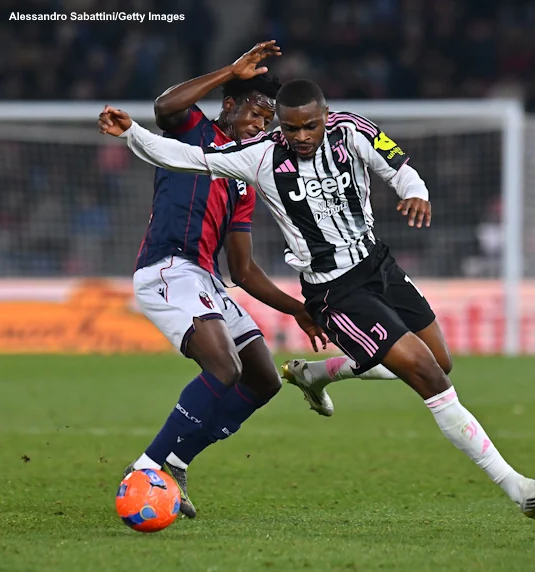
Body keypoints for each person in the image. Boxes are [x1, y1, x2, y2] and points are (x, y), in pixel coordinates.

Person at [98, 79, 535, 519]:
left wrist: (416, 193)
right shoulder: (260, 155)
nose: (301, 136)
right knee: (427, 374)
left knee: (440, 360)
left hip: (379, 265)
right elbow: (184, 156)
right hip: (334, 290)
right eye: (291, 128)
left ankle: (319, 373)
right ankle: (517, 488)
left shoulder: (352, 130)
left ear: (325, 115)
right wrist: (133, 133)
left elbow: (397, 165)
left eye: (310, 125)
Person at [113, 44, 328, 519]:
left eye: (268, 121)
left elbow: (243, 270)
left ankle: (176, 462)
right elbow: (165, 106)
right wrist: (231, 71)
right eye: (255, 113)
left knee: (263, 379)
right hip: (167, 268)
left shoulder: (244, 177)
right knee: (224, 367)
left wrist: (297, 308)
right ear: (229, 105)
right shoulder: (193, 131)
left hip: (206, 278)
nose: (260, 126)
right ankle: (146, 468)